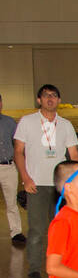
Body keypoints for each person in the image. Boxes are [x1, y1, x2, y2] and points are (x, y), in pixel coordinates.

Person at [13, 84, 78, 278]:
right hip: (36, 185)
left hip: (60, 186)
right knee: (36, 230)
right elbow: (18, 152)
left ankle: (61, 266)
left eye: (54, 96)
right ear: (39, 100)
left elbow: (74, 154)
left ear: (59, 100)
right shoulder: (27, 122)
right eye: (46, 96)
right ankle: (34, 270)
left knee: (61, 230)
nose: (50, 99)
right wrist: (25, 178)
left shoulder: (66, 125)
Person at [0, 93, 24, 246]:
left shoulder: (9, 122)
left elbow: (17, 147)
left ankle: (16, 232)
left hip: (8, 166)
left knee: (11, 202)